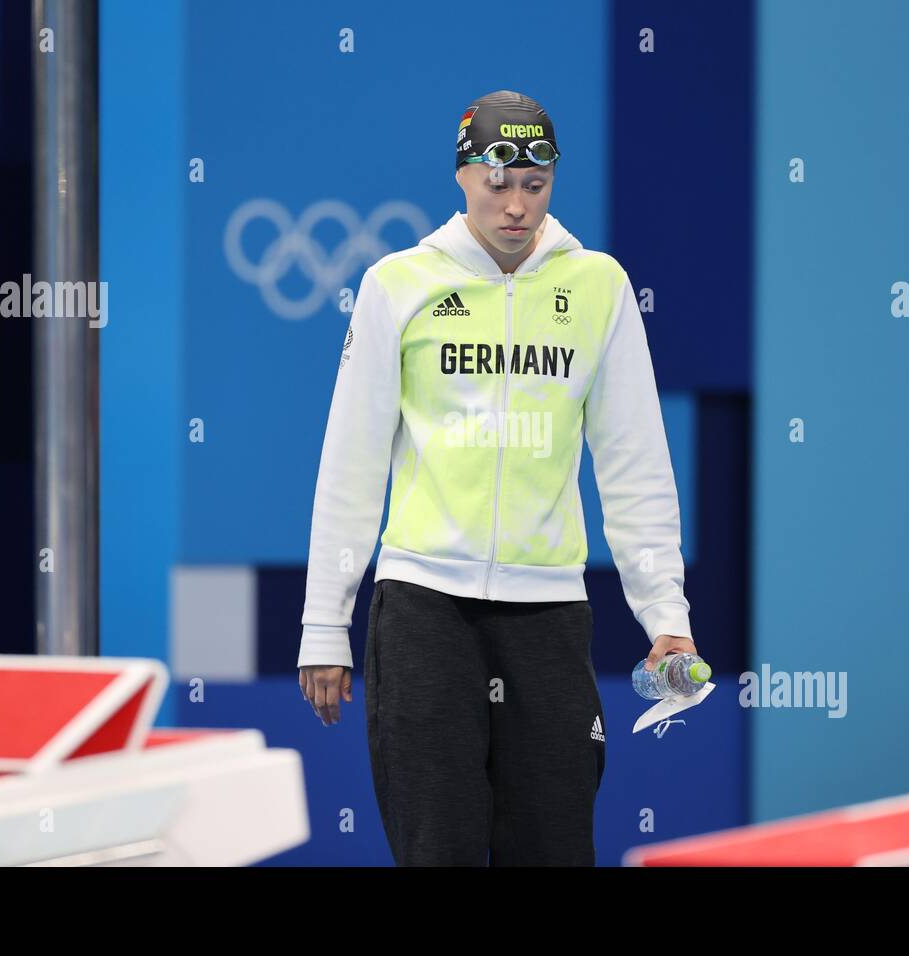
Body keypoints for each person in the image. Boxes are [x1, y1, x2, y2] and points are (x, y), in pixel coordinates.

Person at [298, 90, 697, 866]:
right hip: (423, 612)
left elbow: (635, 463)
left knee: (555, 850)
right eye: (497, 183)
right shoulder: (397, 283)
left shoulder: (600, 286)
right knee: (436, 853)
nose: (516, 205)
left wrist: (665, 614)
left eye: (535, 185)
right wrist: (323, 623)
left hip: (548, 615)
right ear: (461, 176)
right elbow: (350, 461)